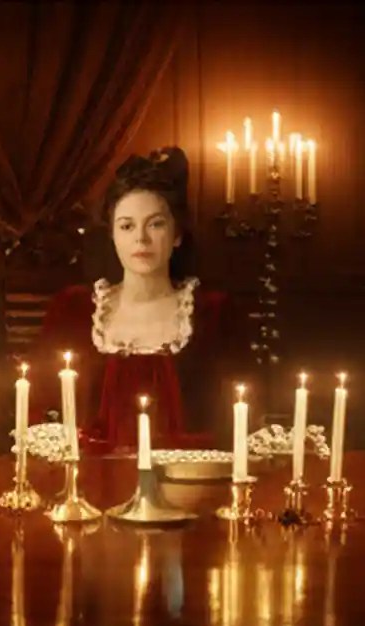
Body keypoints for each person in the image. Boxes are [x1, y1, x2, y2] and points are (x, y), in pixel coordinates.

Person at [28, 146, 251, 455]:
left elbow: (240, 420)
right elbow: (38, 413)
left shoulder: (214, 314)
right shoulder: (73, 311)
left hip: (189, 490)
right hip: (88, 489)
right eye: (127, 226)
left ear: (177, 234)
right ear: (113, 235)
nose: (141, 239)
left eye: (156, 223)